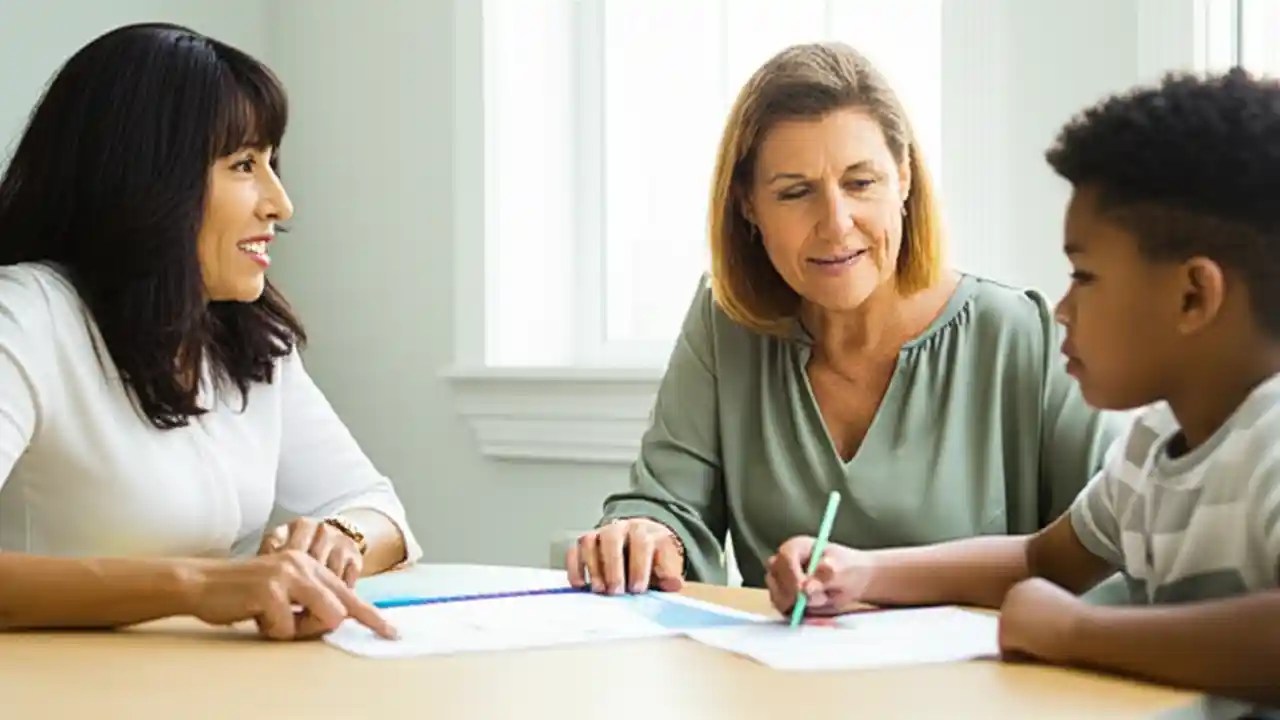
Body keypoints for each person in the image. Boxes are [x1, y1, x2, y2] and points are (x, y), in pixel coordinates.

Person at [765, 68, 1280, 707]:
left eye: (1084, 276)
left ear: (1192, 296)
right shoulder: (1150, 451)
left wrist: (1078, 633)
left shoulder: (1271, 443)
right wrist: (864, 572)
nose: (1061, 309)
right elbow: (1041, 561)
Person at [567, 41, 1125, 595]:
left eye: (860, 183)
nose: (836, 223)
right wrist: (647, 534)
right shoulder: (725, 326)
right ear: (748, 205)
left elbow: (1116, 550)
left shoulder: (1024, 336)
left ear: (903, 178)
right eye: (795, 193)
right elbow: (667, 504)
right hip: (771, 656)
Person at [0, 23, 420, 641]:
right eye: (245, 165)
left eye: (272, 163)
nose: (280, 203)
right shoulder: (24, 316)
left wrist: (339, 538)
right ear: (148, 178)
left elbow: (382, 512)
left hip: (199, 679)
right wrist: (198, 586)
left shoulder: (248, 338)